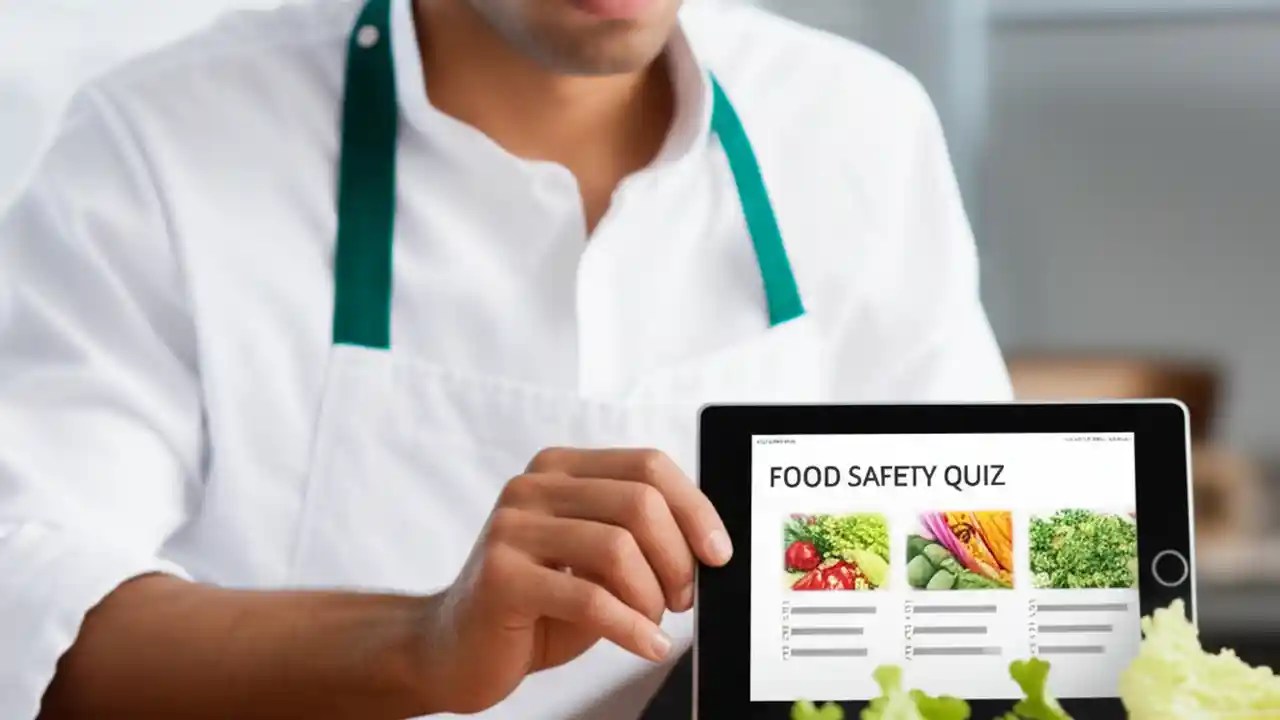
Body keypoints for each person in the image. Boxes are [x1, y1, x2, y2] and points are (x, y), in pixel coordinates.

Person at [0, 0, 1012, 717]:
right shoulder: (159, 142)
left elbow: (981, 582)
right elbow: (30, 604)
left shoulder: (856, 123)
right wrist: (421, 643)